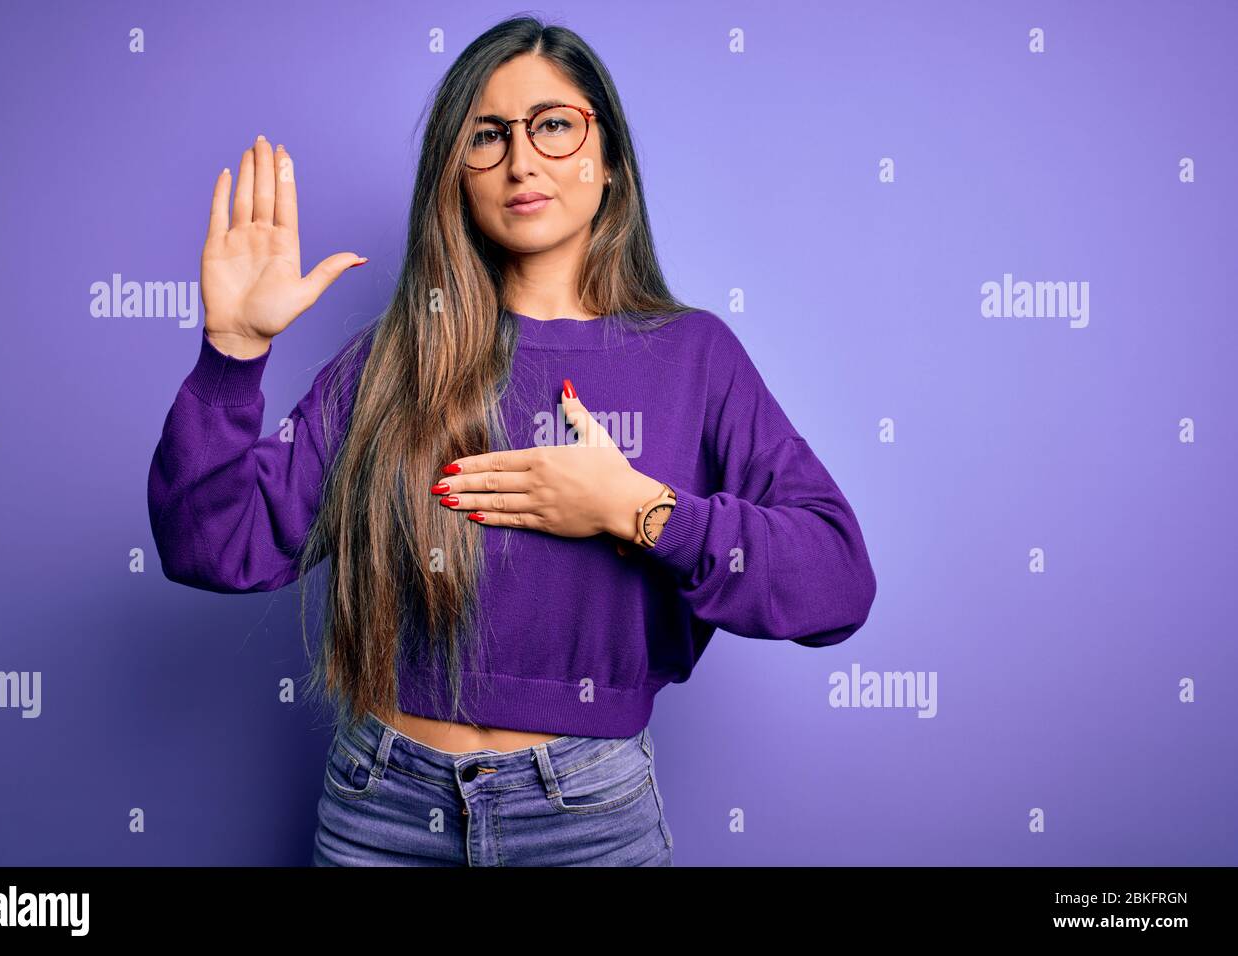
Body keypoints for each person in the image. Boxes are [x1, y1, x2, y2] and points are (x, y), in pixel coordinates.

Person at [147, 15, 877, 867]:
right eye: (487, 136)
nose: (522, 160)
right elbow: (210, 546)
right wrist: (232, 355)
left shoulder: (693, 356)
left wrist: (638, 510)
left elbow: (837, 583)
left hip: (586, 819)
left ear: (610, 164)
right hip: (381, 807)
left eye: (555, 126)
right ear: (455, 176)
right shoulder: (394, 357)